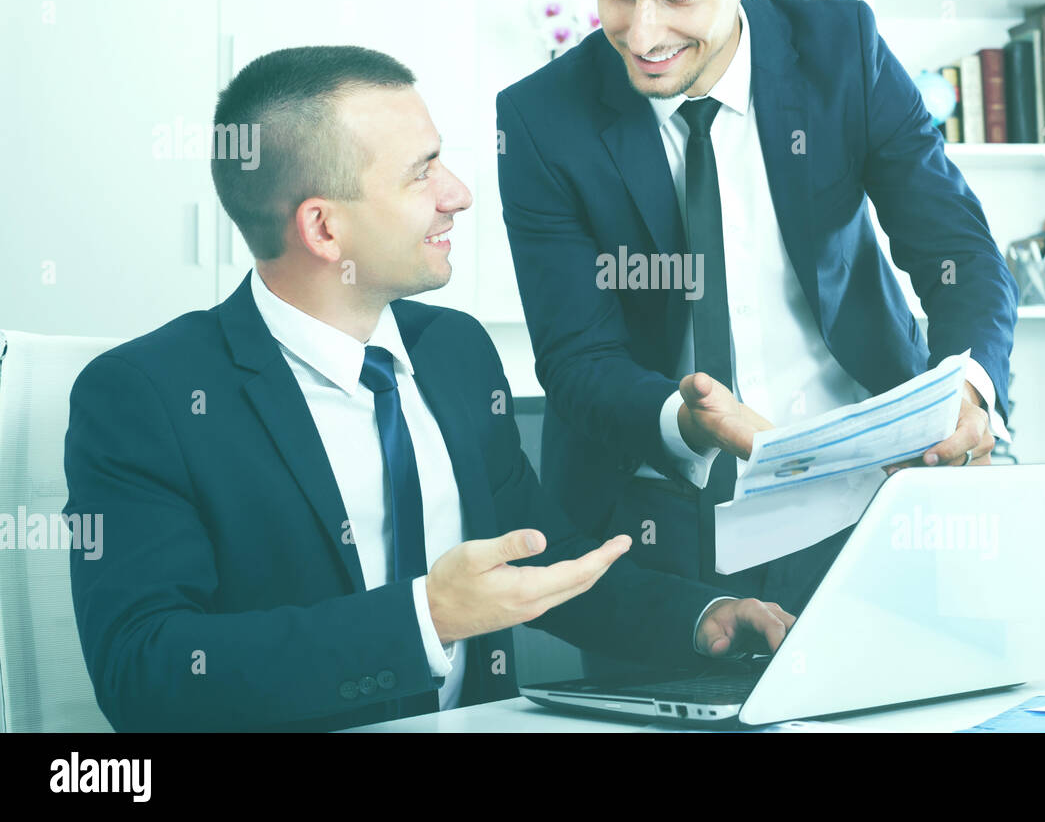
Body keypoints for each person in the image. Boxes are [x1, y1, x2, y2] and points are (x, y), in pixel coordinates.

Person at [63, 44, 793, 733]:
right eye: (423, 172)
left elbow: (542, 558)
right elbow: (143, 670)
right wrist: (424, 618)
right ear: (323, 227)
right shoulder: (144, 397)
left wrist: (707, 615)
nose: (459, 195)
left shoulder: (454, 351)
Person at [496, 0, 1017, 670]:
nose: (639, 32)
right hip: (661, 533)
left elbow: (957, 252)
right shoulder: (542, 118)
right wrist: (689, 420)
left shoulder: (840, 52)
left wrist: (968, 387)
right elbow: (576, 355)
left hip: (870, 498)